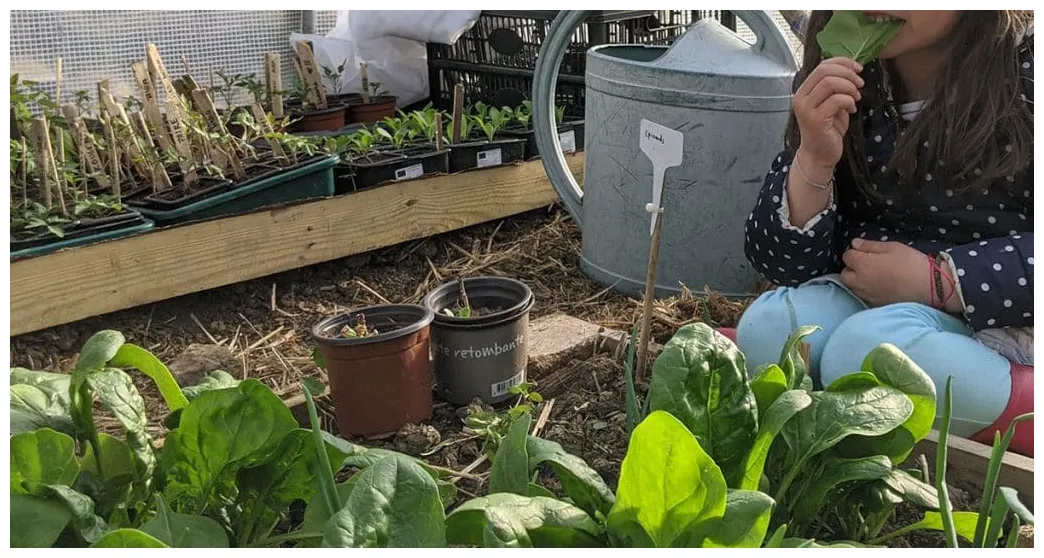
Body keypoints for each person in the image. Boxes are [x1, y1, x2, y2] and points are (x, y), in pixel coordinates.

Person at [736, 11, 1034, 456]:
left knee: (867, 355)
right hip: (876, 300)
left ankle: (1025, 407)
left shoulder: (1026, 74)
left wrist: (941, 281)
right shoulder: (848, 73)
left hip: (1008, 323)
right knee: (771, 330)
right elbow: (783, 263)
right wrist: (814, 158)